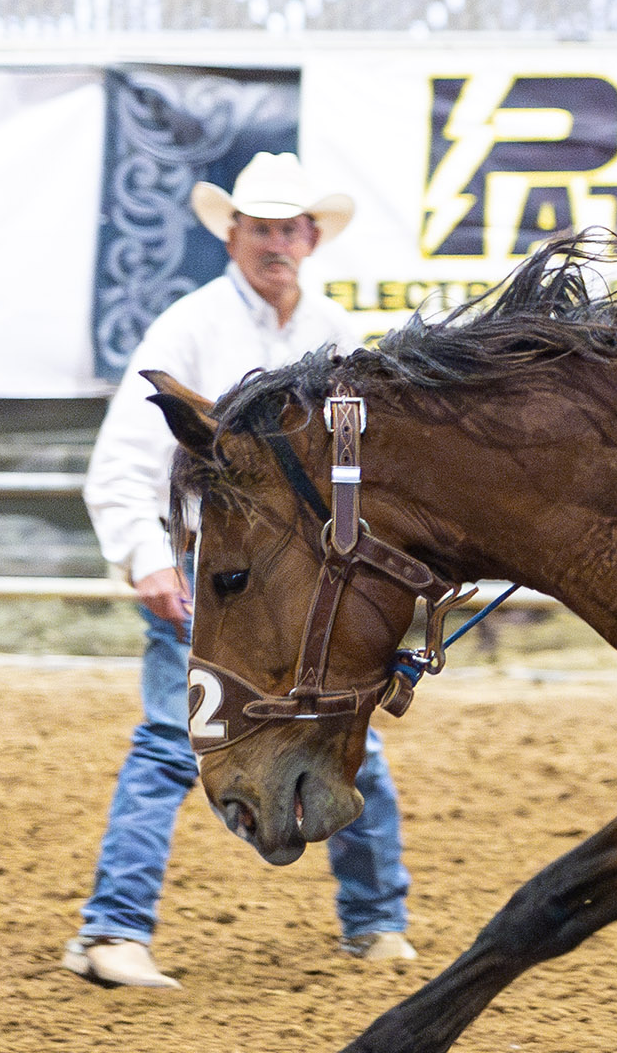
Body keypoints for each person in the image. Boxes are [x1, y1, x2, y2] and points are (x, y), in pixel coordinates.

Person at [62, 152, 419, 989]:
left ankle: (375, 921)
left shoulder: (334, 334)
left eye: (290, 228)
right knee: (165, 739)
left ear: (309, 238)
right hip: (217, 575)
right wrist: (150, 562)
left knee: (345, 731)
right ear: (233, 234)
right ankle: (111, 931)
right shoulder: (188, 328)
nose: (277, 242)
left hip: (311, 584)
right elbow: (121, 463)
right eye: (261, 227)